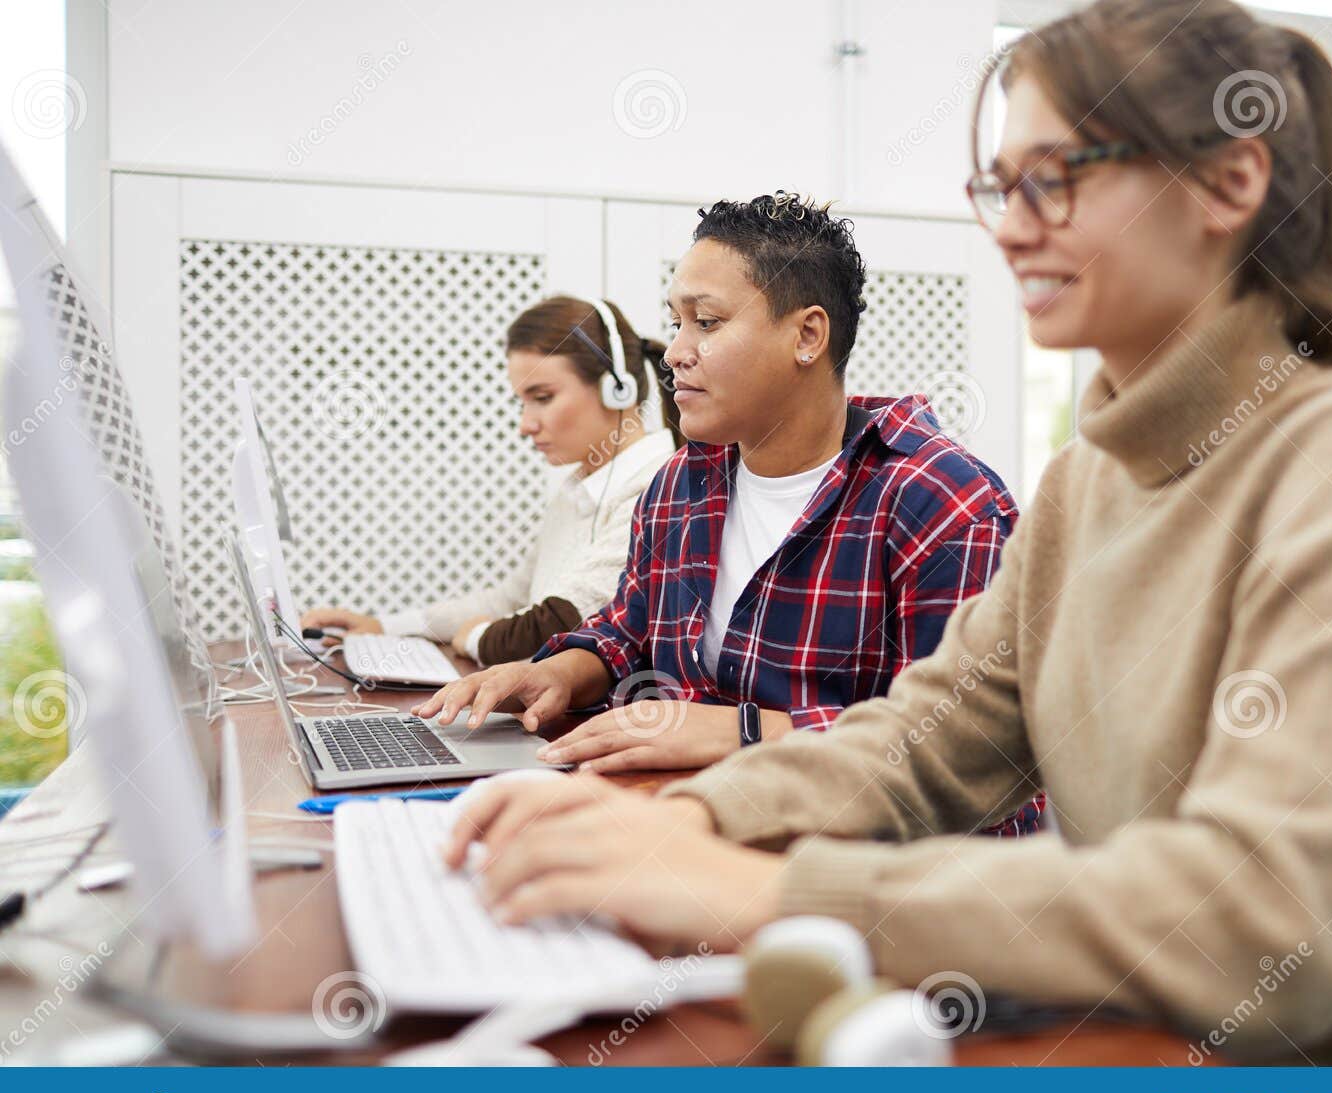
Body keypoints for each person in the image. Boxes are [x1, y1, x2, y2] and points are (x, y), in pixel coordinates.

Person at [437, 0, 1332, 1064]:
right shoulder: (1088, 481)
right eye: (1000, 186)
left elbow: (1263, 920)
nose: (1012, 228)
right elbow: (926, 740)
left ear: (1227, 181)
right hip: (1163, 1043)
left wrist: (769, 892)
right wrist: (692, 817)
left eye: (1053, 179)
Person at [417, 192, 1041, 835]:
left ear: (807, 336)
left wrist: (744, 731)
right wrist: (553, 673)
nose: (675, 352)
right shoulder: (681, 483)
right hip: (683, 825)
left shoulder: (942, 503)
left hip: (854, 866)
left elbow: (966, 753)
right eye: (677, 322)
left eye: (707, 323)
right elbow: (629, 630)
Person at [302, 296, 679, 665]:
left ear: (617, 389)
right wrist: (385, 627)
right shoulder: (579, 488)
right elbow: (509, 601)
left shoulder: (659, 486)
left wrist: (476, 639)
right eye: (523, 402)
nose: (525, 425)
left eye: (542, 397)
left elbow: (563, 621)